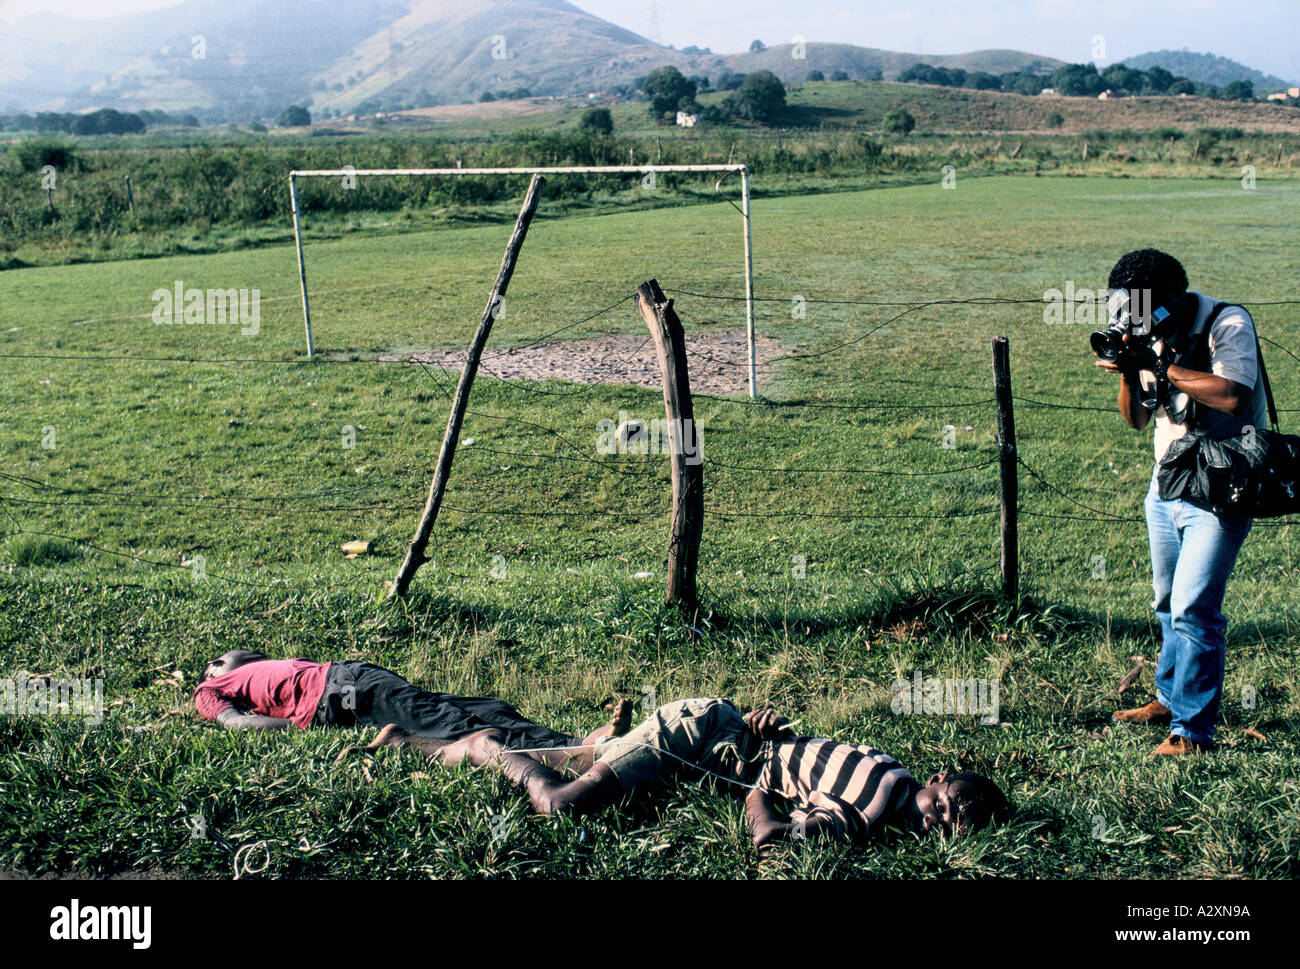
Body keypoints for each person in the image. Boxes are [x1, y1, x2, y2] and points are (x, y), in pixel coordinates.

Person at [1094, 249, 1267, 755]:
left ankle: (1192, 732)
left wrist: (1164, 367)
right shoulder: (1145, 331)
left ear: (1171, 300)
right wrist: (1132, 370)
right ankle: (1169, 698)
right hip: (1166, 484)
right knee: (1168, 602)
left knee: (1195, 609)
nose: (1137, 320)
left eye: (1145, 311)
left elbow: (1233, 394)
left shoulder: (1225, 321)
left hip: (1222, 487)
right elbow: (1136, 421)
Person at [432, 697, 1009, 847]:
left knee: (574, 759)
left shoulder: (894, 770)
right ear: (937, 780)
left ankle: (415, 742)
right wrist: (760, 788)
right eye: (948, 803)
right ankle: (488, 745)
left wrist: (771, 747)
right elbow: (768, 837)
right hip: (703, 741)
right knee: (560, 803)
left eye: (954, 824)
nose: (940, 818)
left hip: (714, 727)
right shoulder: (867, 814)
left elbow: (808, 757)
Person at [193, 649, 628, 766]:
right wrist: (291, 724)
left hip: (351, 676)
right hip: (336, 697)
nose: (242, 656)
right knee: (449, 723)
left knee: (486, 706)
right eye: (225, 658)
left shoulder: (256, 667)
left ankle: (574, 741)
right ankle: (574, 755)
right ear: (214, 668)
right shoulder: (209, 687)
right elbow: (233, 724)